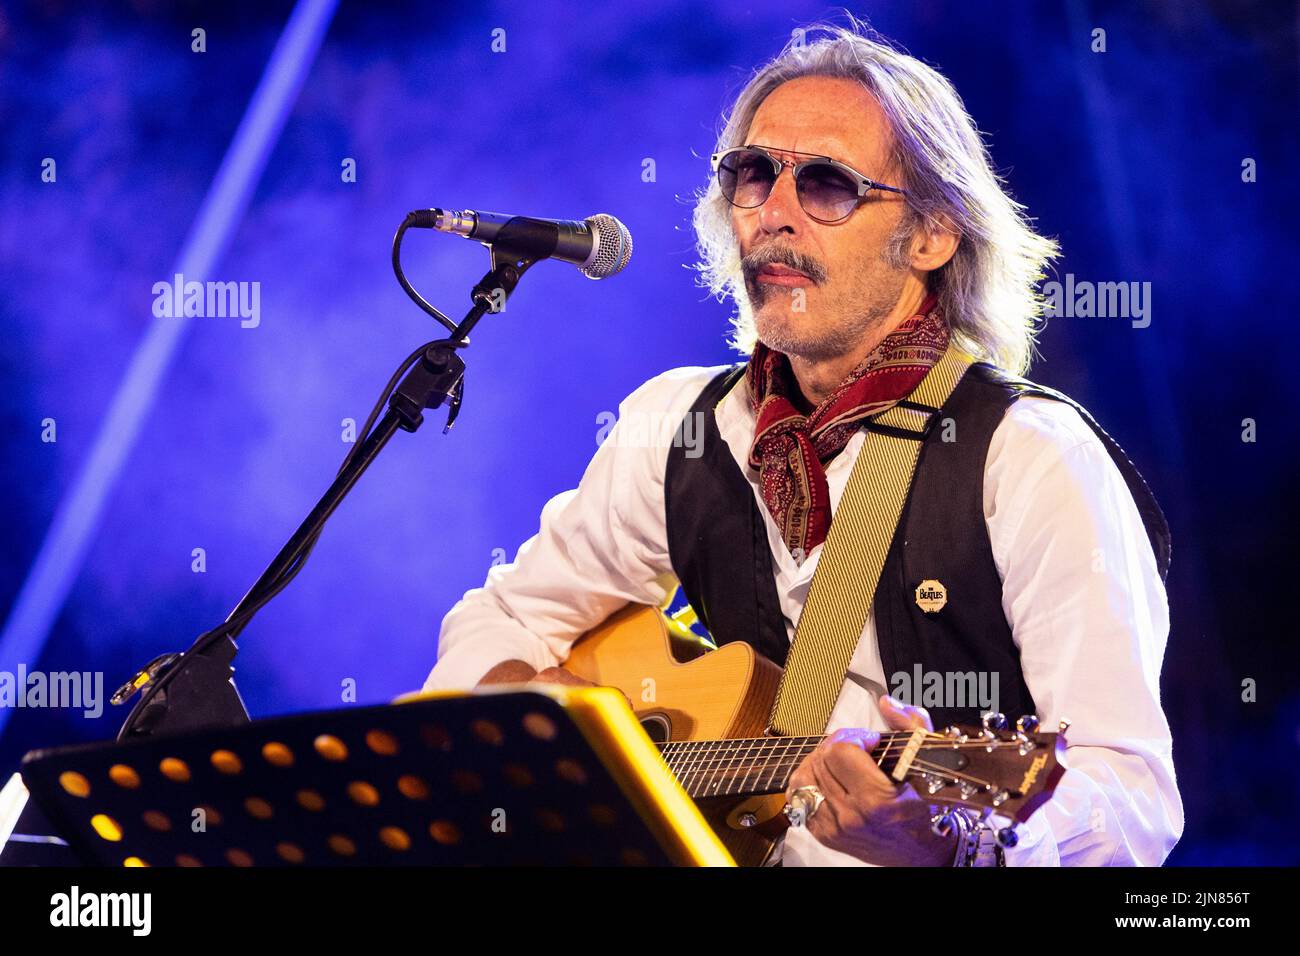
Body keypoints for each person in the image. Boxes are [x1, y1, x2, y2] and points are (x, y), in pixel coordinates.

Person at [423, 19, 1182, 867]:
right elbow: (507, 615)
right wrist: (553, 755)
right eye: (753, 175)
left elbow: (1129, 797)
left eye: (826, 185)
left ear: (932, 235)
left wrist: (953, 846)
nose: (773, 213)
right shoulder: (680, 425)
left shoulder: (1028, 455)